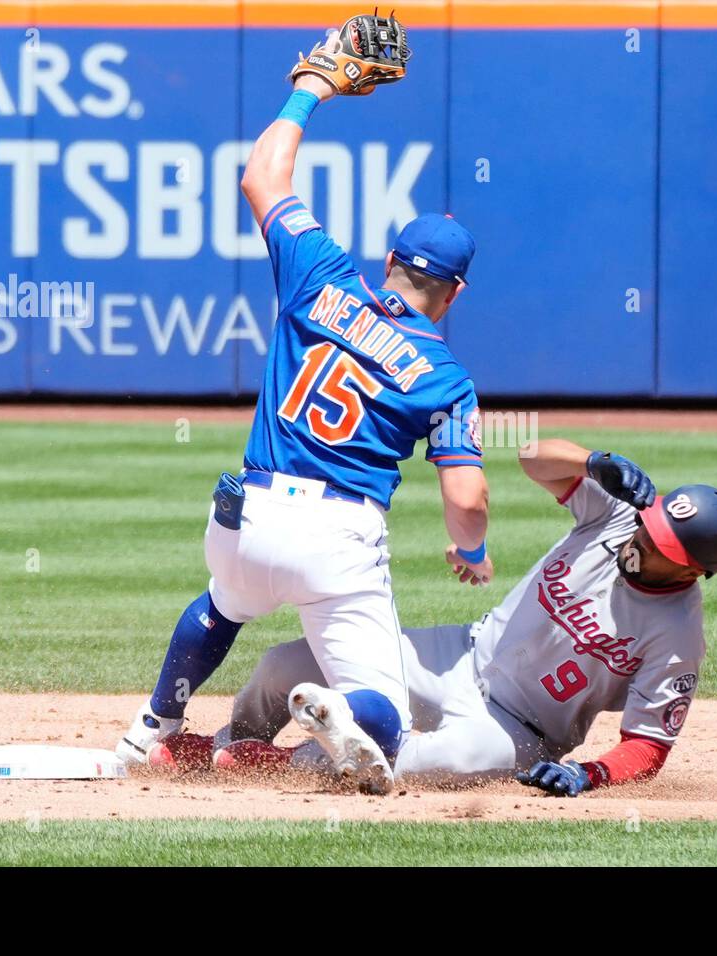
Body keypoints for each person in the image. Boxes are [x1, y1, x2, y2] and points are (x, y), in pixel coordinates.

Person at [116, 21, 489, 796]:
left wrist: (312, 88)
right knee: (387, 712)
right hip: (338, 543)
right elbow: (466, 501)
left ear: (389, 259)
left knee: (220, 608)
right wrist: (472, 550)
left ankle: (154, 731)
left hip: (248, 515)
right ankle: (337, 712)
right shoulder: (446, 377)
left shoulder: (323, 274)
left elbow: (262, 177)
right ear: (453, 295)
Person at [149, 438, 717, 797]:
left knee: (437, 759)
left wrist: (589, 775)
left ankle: (277, 766)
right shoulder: (616, 517)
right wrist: (594, 461)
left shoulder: (676, 637)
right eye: (651, 525)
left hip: (518, 730)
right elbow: (531, 457)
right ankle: (238, 744)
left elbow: (647, 747)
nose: (642, 540)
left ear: (692, 571)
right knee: (284, 664)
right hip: (459, 654)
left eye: (662, 546)